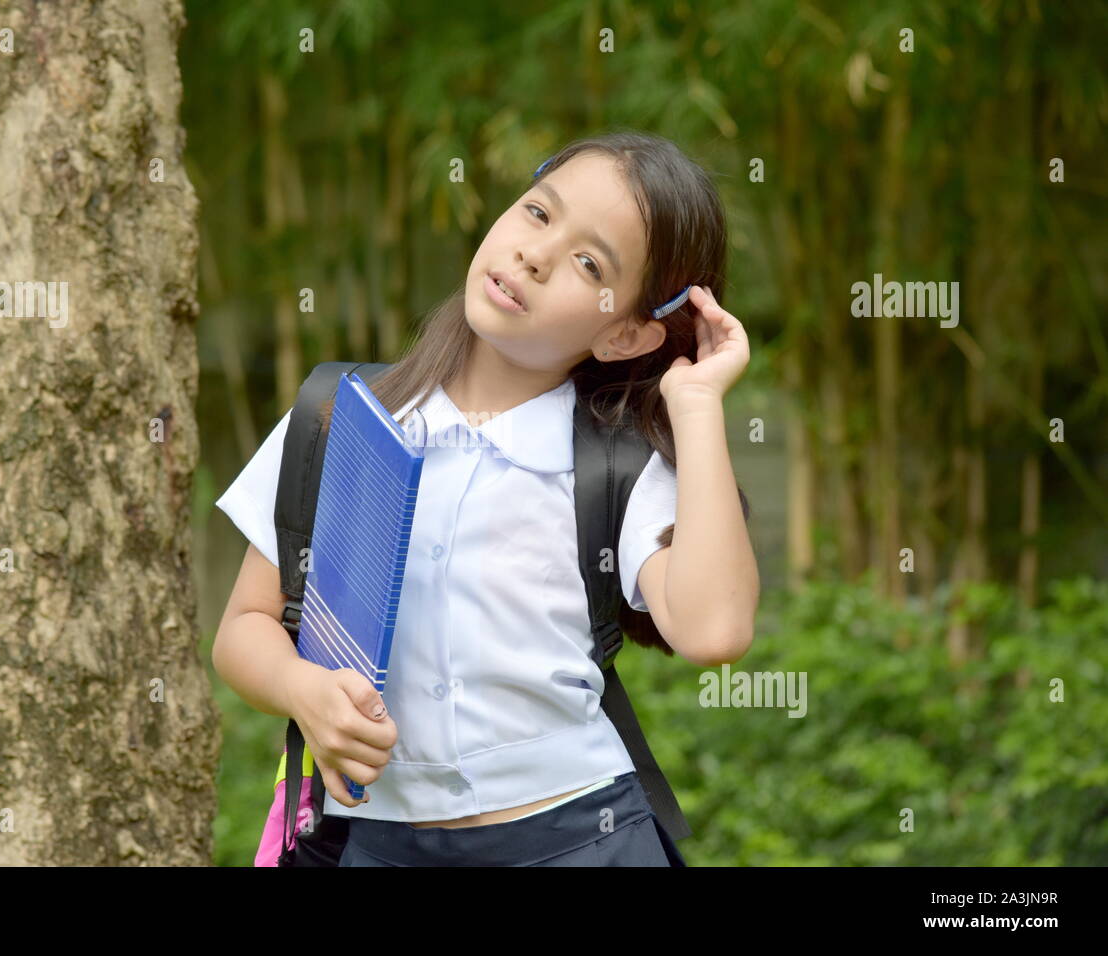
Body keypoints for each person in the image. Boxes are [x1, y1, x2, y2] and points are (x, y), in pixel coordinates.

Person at [212, 129, 759, 866]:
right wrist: (300, 689)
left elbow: (715, 629)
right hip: (374, 839)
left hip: (581, 839)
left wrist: (695, 407)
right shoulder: (338, 418)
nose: (535, 254)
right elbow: (244, 626)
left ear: (626, 336)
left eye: (588, 262)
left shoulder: (611, 465)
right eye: (538, 213)